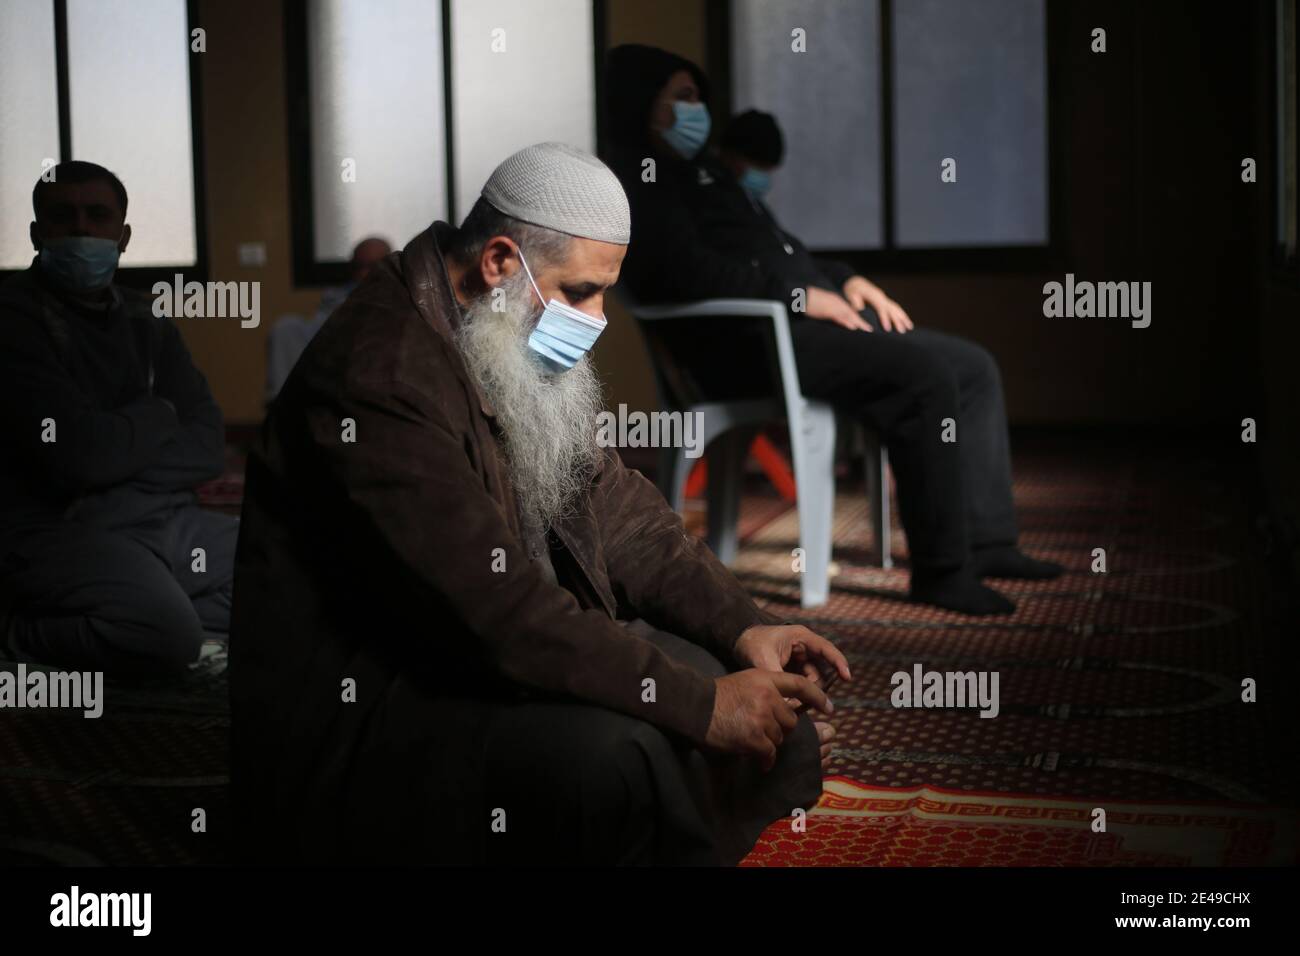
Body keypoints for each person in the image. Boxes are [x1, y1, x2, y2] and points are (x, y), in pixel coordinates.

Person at [229, 143, 850, 865]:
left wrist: (745, 628)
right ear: (498, 263)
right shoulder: (380, 372)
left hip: (475, 651)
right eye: (581, 291)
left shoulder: (502, 330)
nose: (598, 318)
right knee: (625, 752)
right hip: (368, 704)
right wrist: (707, 710)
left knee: (737, 686)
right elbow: (494, 614)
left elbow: (621, 510)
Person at [603, 46, 1064, 616]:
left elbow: (784, 251)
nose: (699, 110)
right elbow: (688, 273)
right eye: (683, 97)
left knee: (972, 366)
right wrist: (801, 296)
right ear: (639, 102)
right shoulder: (636, 181)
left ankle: (990, 543)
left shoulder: (708, 175)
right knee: (923, 376)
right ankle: (942, 572)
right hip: (744, 345)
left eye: (699, 96)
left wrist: (848, 281)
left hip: (796, 328)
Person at [0, 161, 236, 673]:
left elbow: (208, 444)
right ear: (37, 233)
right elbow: (77, 454)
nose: (82, 228)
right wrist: (160, 411)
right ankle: (16, 628)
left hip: (156, 520)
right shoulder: (13, 318)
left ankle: (141, 607)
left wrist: (111, 460)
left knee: (289, 577)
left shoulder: (146, 318)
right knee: (168, 638)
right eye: (64, 216)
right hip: (57, 529)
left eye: (97, 215)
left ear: (123, 235)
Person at [264, 236, 391, 403]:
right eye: (359, 266)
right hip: (330, 336)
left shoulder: (396, 293)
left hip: (367, 339)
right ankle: (283, 403)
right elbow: (319, 322)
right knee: (285, 327)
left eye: (371, 266)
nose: (363, 273)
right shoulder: (337, 294)